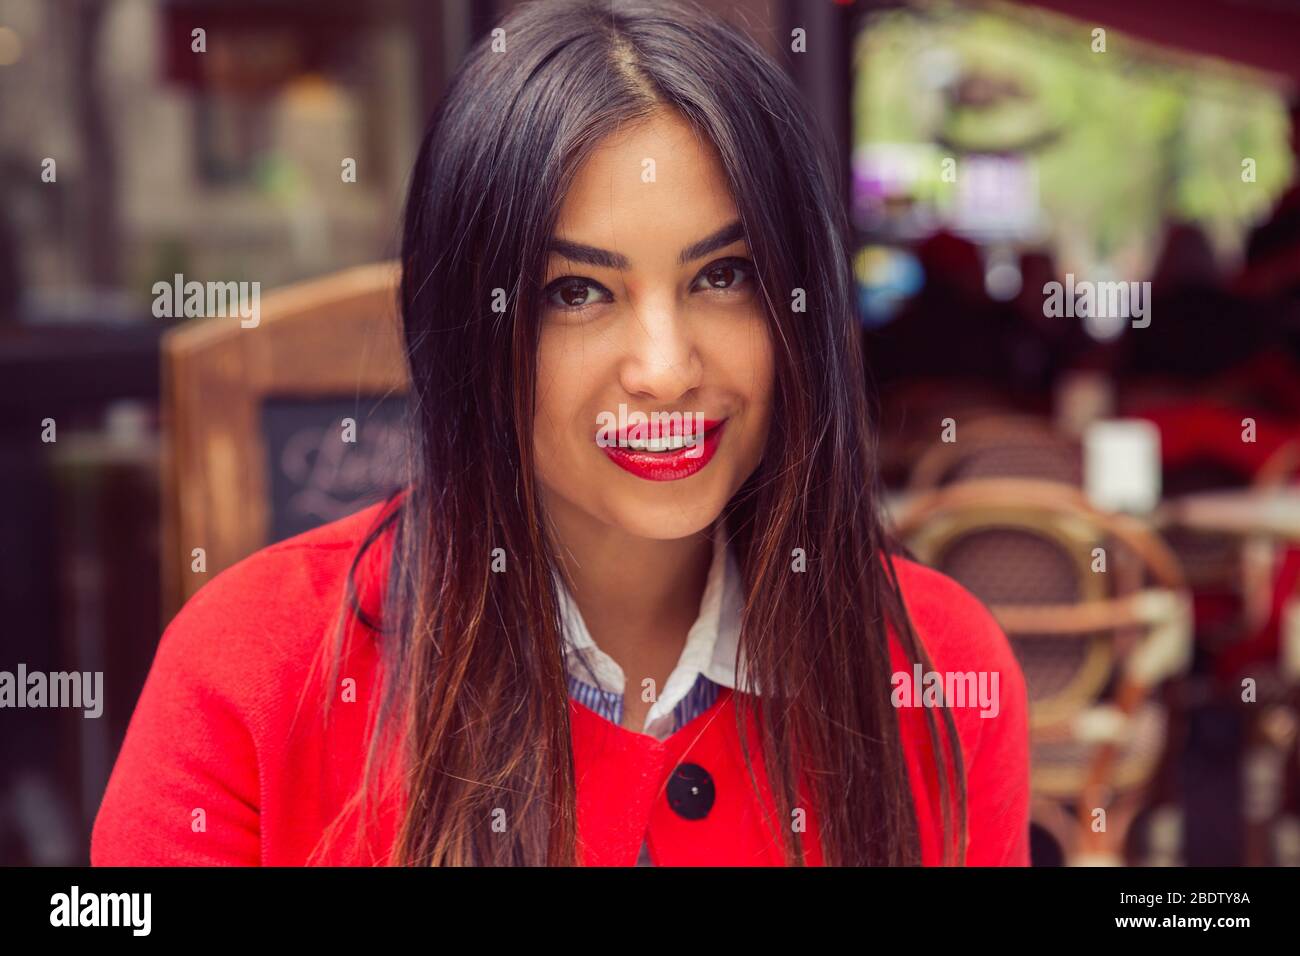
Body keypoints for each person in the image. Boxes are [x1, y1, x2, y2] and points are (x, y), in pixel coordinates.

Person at [91, 0, 1029, 867]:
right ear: (468, 328)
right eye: (575, 292)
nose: (664, 368)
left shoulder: (939, 670)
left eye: (723, 276)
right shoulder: (251, 671)